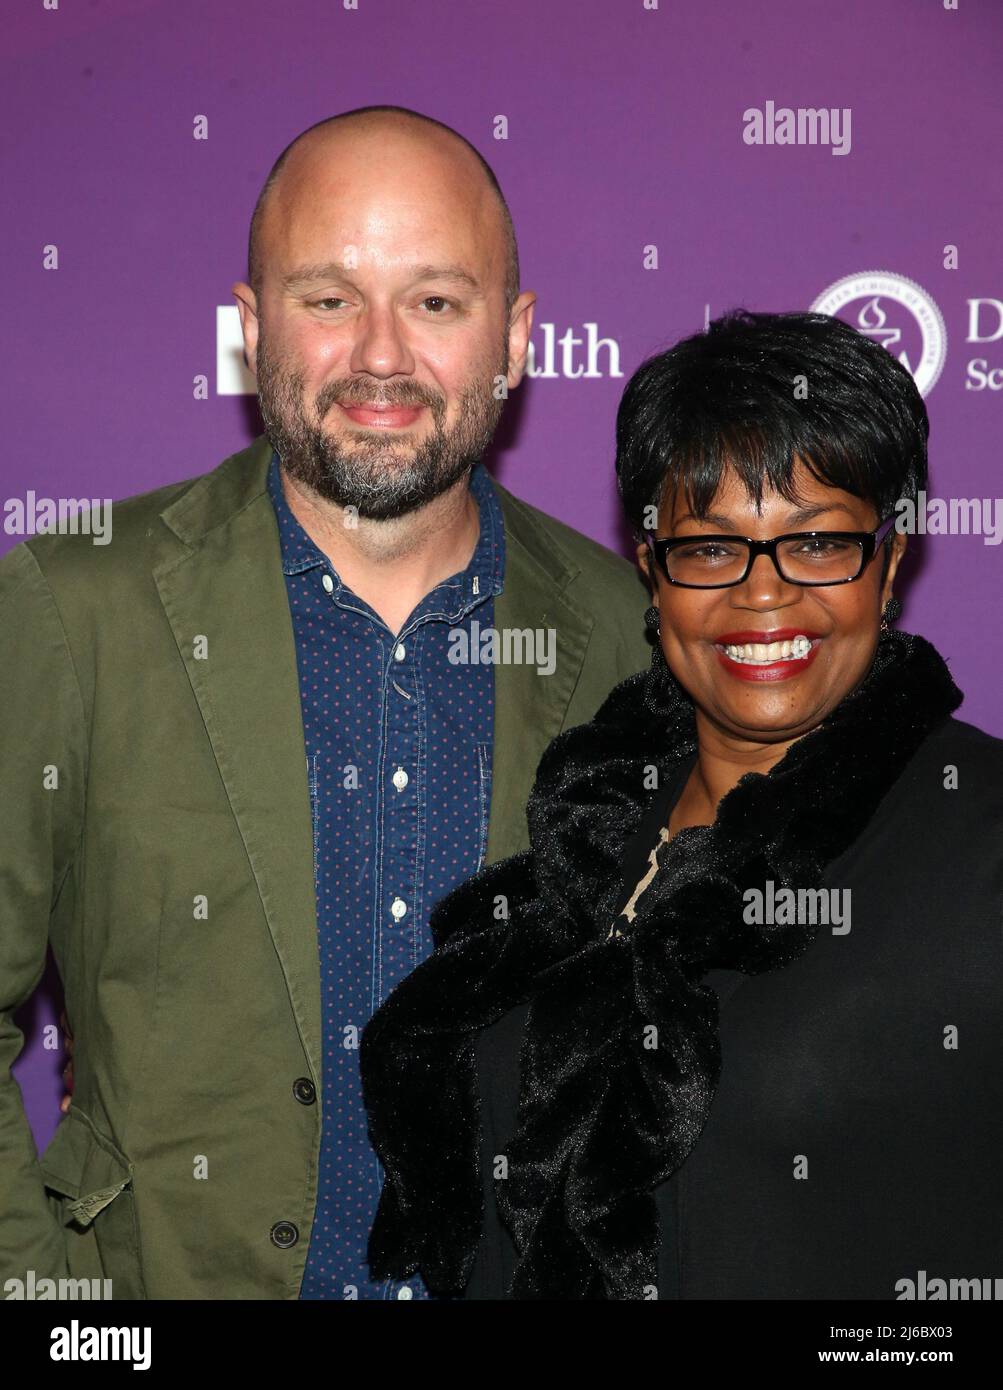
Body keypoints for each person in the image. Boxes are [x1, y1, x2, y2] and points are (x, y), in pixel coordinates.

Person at [0, 106, 651, 1301]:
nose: (381, 358)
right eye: (328, 298)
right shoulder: (73, 605)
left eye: (437, 302)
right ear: (250, 330)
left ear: (516, 341)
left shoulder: (625, 636)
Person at [360, 308, 1003, 1300]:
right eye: (710, 549)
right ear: (651, 572)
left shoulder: (979, 838)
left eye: (817, 543)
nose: (762, 597)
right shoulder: (587, 827)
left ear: (890, 560)